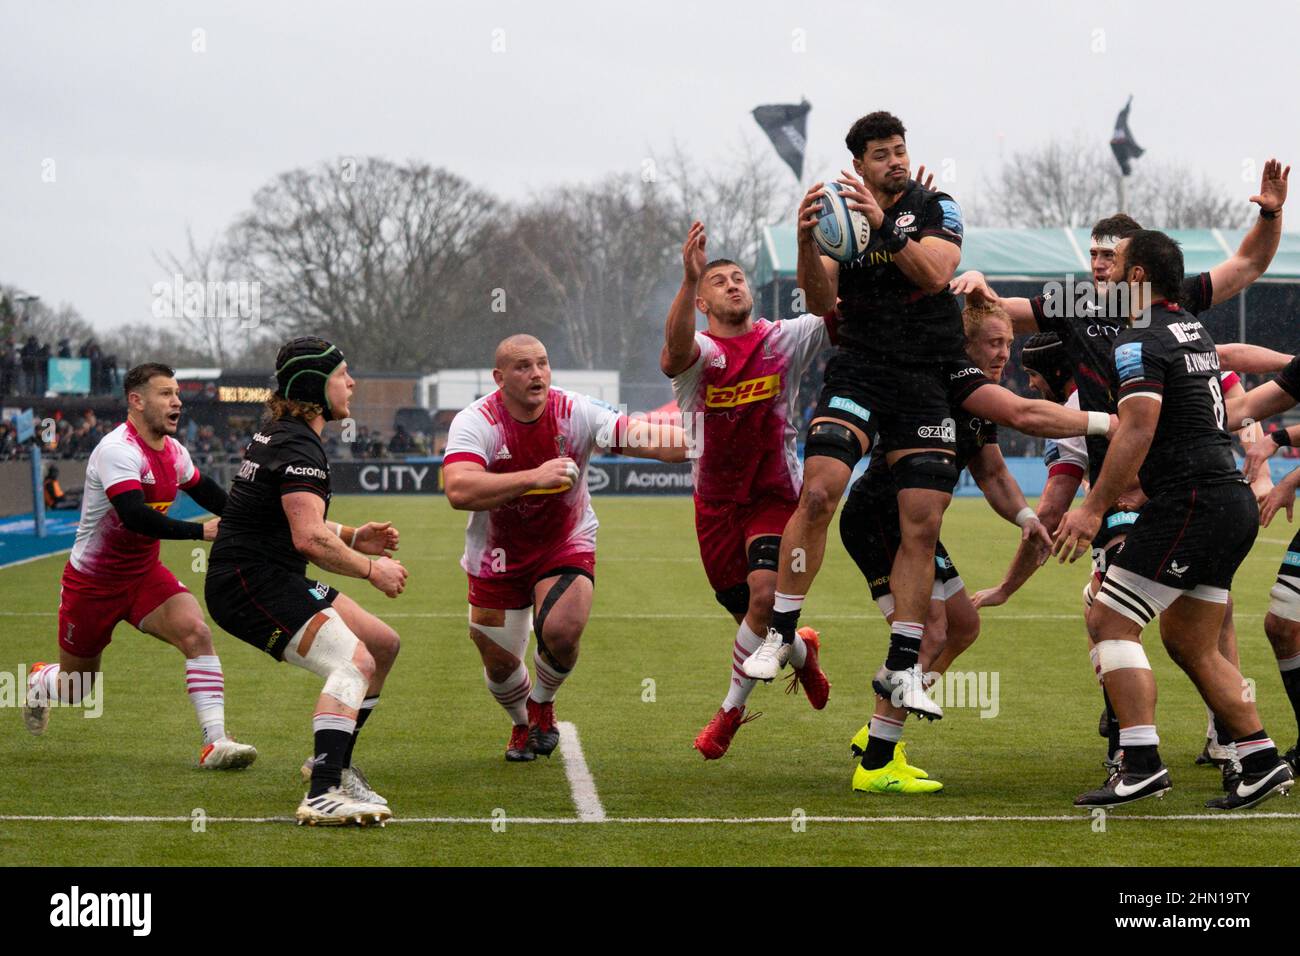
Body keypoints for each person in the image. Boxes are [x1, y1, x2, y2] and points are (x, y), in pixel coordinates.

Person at [742, 110, 1112, 723]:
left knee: (922, 519)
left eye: (899, 149)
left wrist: (883, 222)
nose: (895, 160)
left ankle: (906, 664)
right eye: (881, 153)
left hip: (924, 379)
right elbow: (820, 299)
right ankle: (781, 632)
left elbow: (938, 271)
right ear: (858, 164)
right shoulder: (839, 215)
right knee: (819, 492)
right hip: (860, 368)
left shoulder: (937, 206)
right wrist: (810, 241)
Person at [1054, 231, 1293, 809]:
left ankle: (1139, 764)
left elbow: (1137, 428)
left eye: (1118, 270)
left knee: (1109, 620)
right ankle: (1259, 759)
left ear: (1138, 279)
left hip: (1194, 502)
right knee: (1190, 641)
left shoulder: (1138, 339)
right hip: (1224, 499)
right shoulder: (1192, 327)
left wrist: (1091, 508)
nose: (1106, 281)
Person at [977, 335, 1282, 779]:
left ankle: (1131, 750)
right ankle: (1241, 746)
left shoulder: (1089, 399)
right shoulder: (1172, 348)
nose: (1030, 380)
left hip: (1166, 509)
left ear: (1058, 373)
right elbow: (1232, 372)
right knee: (1208, 625)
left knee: (1105, 613)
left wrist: (1008, 586)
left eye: (1034, 373)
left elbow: (1051, 507)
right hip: (1212, 504)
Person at [841, 302, 1098, 792]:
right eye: (993, 344)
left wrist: (1026, 519)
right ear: (965, 346)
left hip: (914, 527)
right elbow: (1026, 419)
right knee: (930, 632)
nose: (1004, 353)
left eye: (1008, 343)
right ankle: (877, 762)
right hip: (878, 520)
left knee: (963, 624)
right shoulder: (939, 386)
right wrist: (1108, 421)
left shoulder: (979, 398)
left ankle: (881, 728)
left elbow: (993, 472)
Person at [444, 334, 687, 762]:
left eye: (542, 363)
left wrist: (700, 441)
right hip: (495, 556)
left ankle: (541, 702)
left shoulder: (575, 409)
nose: (536, 373)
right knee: (499, 665)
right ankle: (523, 723)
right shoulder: (476, 420)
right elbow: (459, 488)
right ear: (499, 378)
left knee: (561, 632)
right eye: (523, 367)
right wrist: (533, 477)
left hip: (565, 540)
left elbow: (641, 436)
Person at [205, 337, 406, 827]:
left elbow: (287, 519)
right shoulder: (298, 444)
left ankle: (331, 763)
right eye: (343, 374)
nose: (352, 383)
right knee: (353, 661)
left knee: (381, 644)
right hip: (249, 584)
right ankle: (324, 792)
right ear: (316, 387)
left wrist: (356, 536)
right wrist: (369, 568)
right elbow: (309, 539)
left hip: (261, 575)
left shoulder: (285, 435)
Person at [23, 362, 255, 771]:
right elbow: (133, 515)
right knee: (77, 688)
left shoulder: (174, 451)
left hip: (144, 575)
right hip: (92, 586)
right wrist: (199, 534)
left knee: (197, 633)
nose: (177, 401)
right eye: (166, 393)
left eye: (177, 393)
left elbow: (211, 495)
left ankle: (215, 742)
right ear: (136, 400)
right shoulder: (118, 450)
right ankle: (40, 681)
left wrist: (254, 519)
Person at [660, 223, 833, 759]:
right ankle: (801, 652)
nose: (733, 285)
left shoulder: (784, 338)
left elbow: (834, 309)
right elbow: (673, 350)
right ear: (704, 299)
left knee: (764, 596)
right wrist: (689, 282)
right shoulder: (703, 356)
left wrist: (840, 241)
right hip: (715, 505)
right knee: (752, 624)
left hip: (776, 496)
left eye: (739, 278)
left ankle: (729, 713)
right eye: (720, 281)